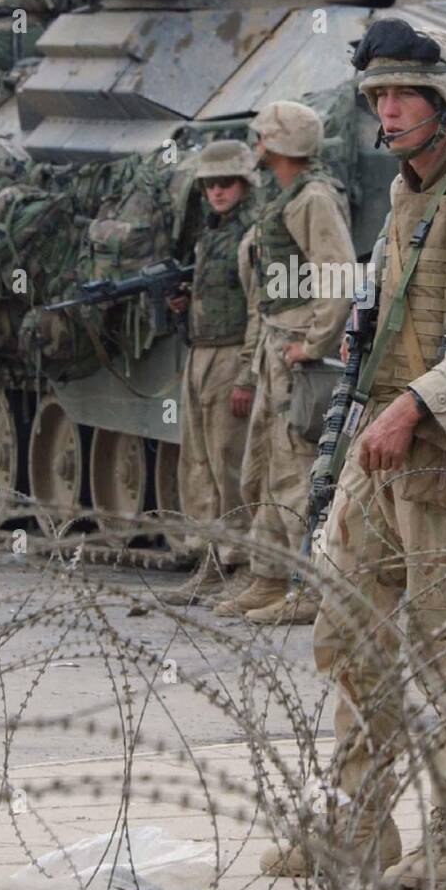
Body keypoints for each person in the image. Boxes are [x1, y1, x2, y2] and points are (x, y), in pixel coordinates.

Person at [260, 19, 446, 889]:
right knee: (350, 639)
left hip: (445, 455)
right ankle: (361, 827)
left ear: (445, 98)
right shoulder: (404, 194)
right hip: (379, 450)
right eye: (377, 95)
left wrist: (418, 402)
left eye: (403, 95)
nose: (387, 110)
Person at [213, 100, 356, 625]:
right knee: (264, 471)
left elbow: (339, 275)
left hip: (296, 354)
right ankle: (270, 576)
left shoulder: (313, 198)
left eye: (262, 138)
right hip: (277, 346)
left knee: (299, 474)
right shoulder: (288, 196)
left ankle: (312, 586)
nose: (255, 146)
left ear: (278, 145)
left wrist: (314, 343)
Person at [163, 140, 259, 609]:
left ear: (244, 184)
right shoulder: (211, 233)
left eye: (227, 183)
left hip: (230, 353)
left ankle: (241, 561)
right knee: (197, 463)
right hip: (200, 353)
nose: (218, 192)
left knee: (230, 464)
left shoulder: (252, 235)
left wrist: (247, 373)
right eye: (210, 185)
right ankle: (208, 558)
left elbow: (261, 309)